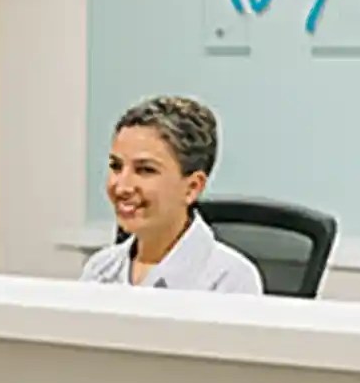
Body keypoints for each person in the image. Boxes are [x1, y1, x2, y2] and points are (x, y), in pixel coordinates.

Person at [80, 95, 263, 294]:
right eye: (116, 166)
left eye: (145, 170)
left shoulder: (230, 280)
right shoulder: (98, 270)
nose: (122, 187)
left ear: (192, 187)